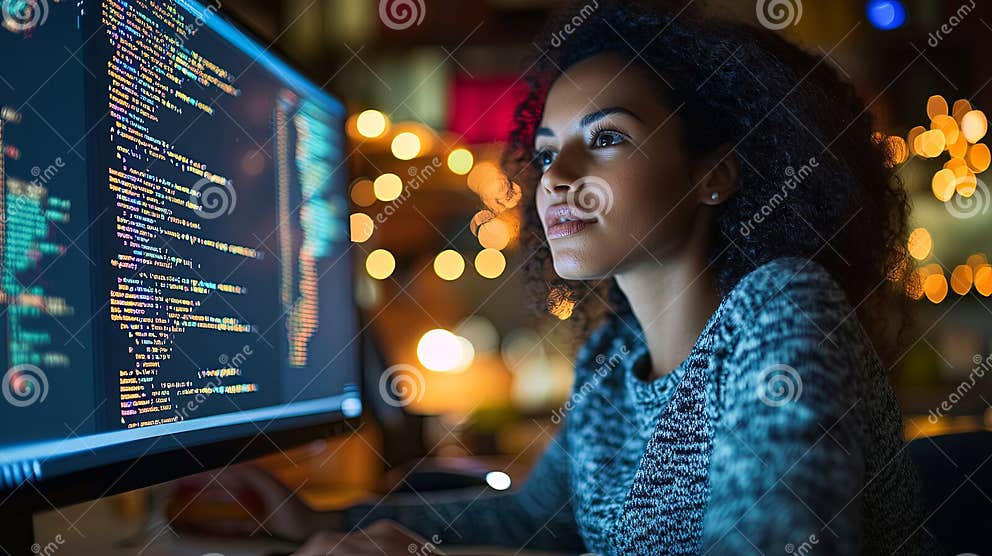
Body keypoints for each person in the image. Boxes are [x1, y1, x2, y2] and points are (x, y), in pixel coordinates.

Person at [209, 1, 938, 553]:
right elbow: (532, 518)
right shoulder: (612, 360)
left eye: (609, 138)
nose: (557, 177)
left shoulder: (782, 308)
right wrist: (324, 518)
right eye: (550, 150)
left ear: (714, 174)